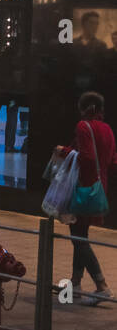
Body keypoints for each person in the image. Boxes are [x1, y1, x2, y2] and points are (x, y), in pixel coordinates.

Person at [53, 92, 115, 304]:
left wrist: (64, 151)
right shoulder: (107, 129)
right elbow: (112, 159)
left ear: (86, 108)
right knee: (80, 234)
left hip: (82, 189)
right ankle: (75, 285)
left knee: (78, 238)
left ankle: (102, 285)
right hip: (99, 188)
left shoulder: (83, 126)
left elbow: (86, 157)